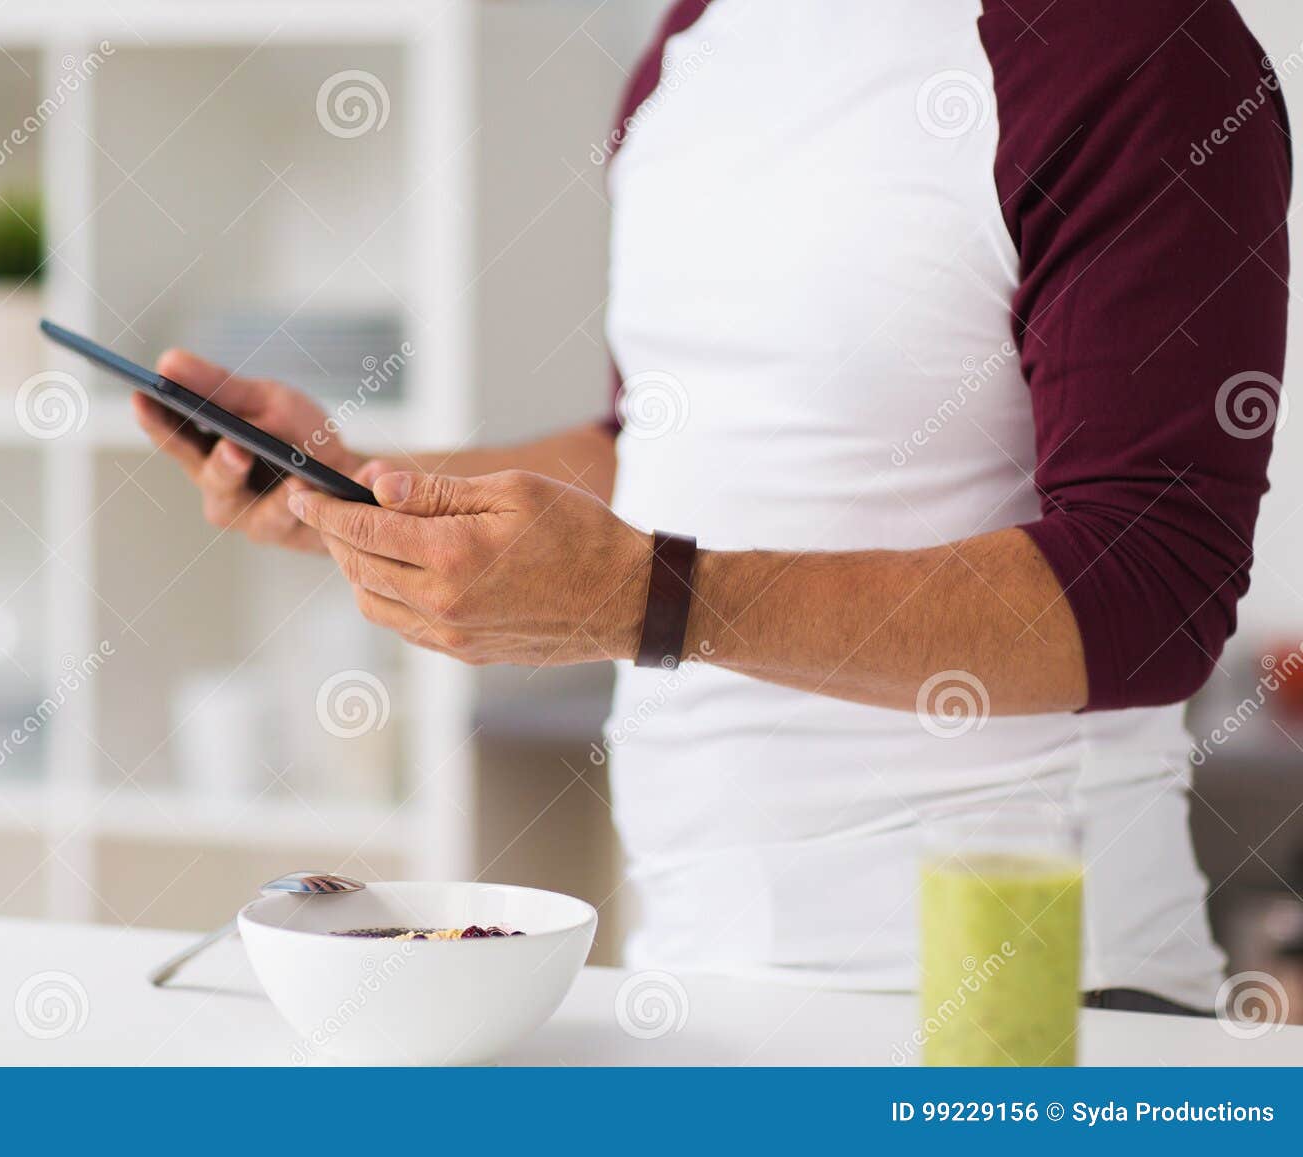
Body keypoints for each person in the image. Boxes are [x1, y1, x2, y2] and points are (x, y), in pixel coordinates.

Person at [137, 0, 1291, 1013]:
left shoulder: (1134, 43)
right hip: (696, 979)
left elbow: (1150, 587)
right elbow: (661, 449)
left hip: (1025, 1009)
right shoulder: (691, 41)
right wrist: (351, 485)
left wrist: (649, 598)